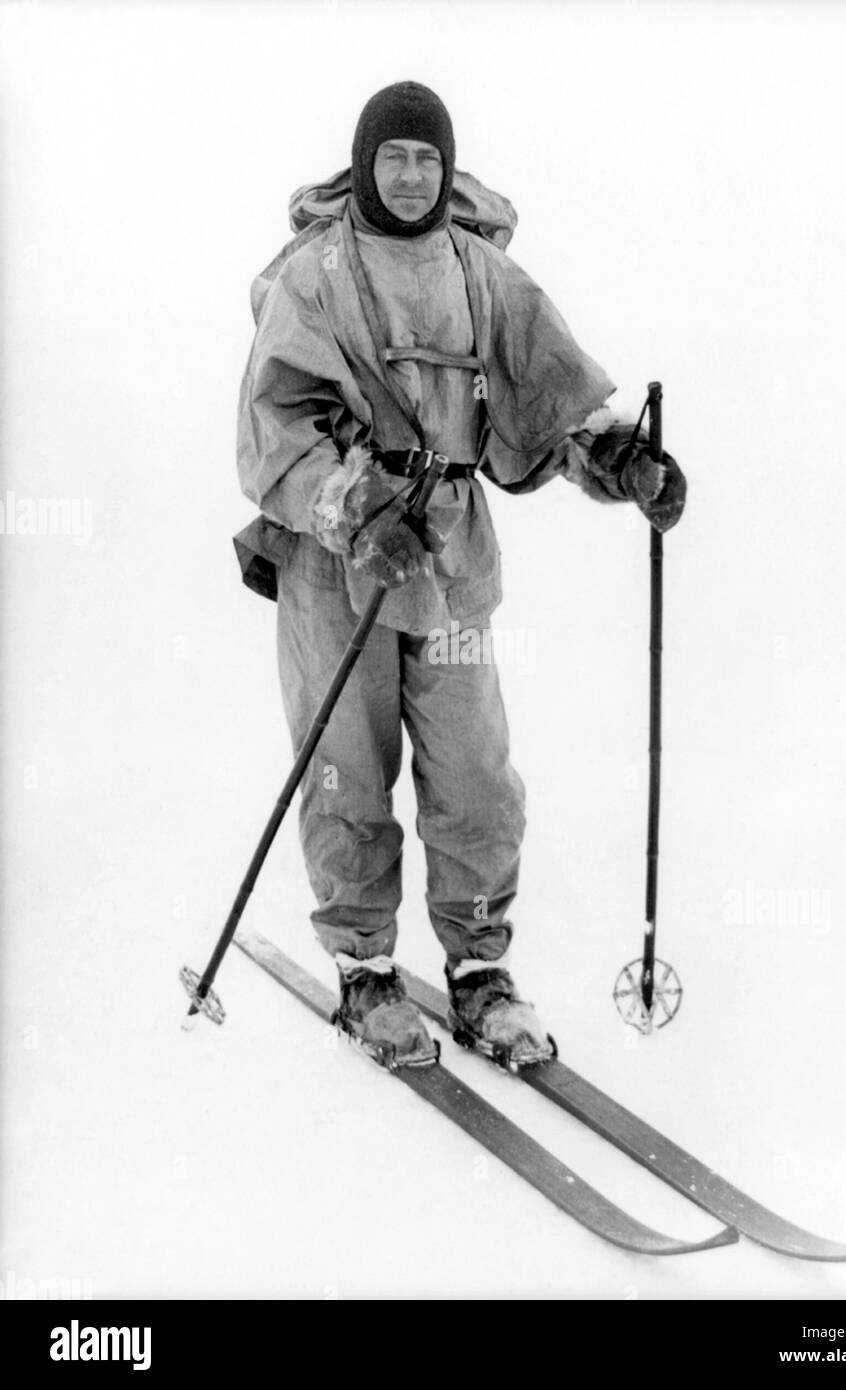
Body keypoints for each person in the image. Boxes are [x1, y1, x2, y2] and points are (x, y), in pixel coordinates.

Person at [235, 81, 686, 1070]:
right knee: (348, 765)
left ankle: (479, 971)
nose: (408, 176)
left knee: (475, 775)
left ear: (448, 169)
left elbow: (550, 396)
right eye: (391, 157)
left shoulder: (483, 274)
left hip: (447, 553)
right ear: (364, 164)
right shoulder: (314, 276)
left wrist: (617, 459)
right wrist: (356, 508)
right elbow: (274, 431)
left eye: (426, 159)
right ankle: (364, 968)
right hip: (334, 562)